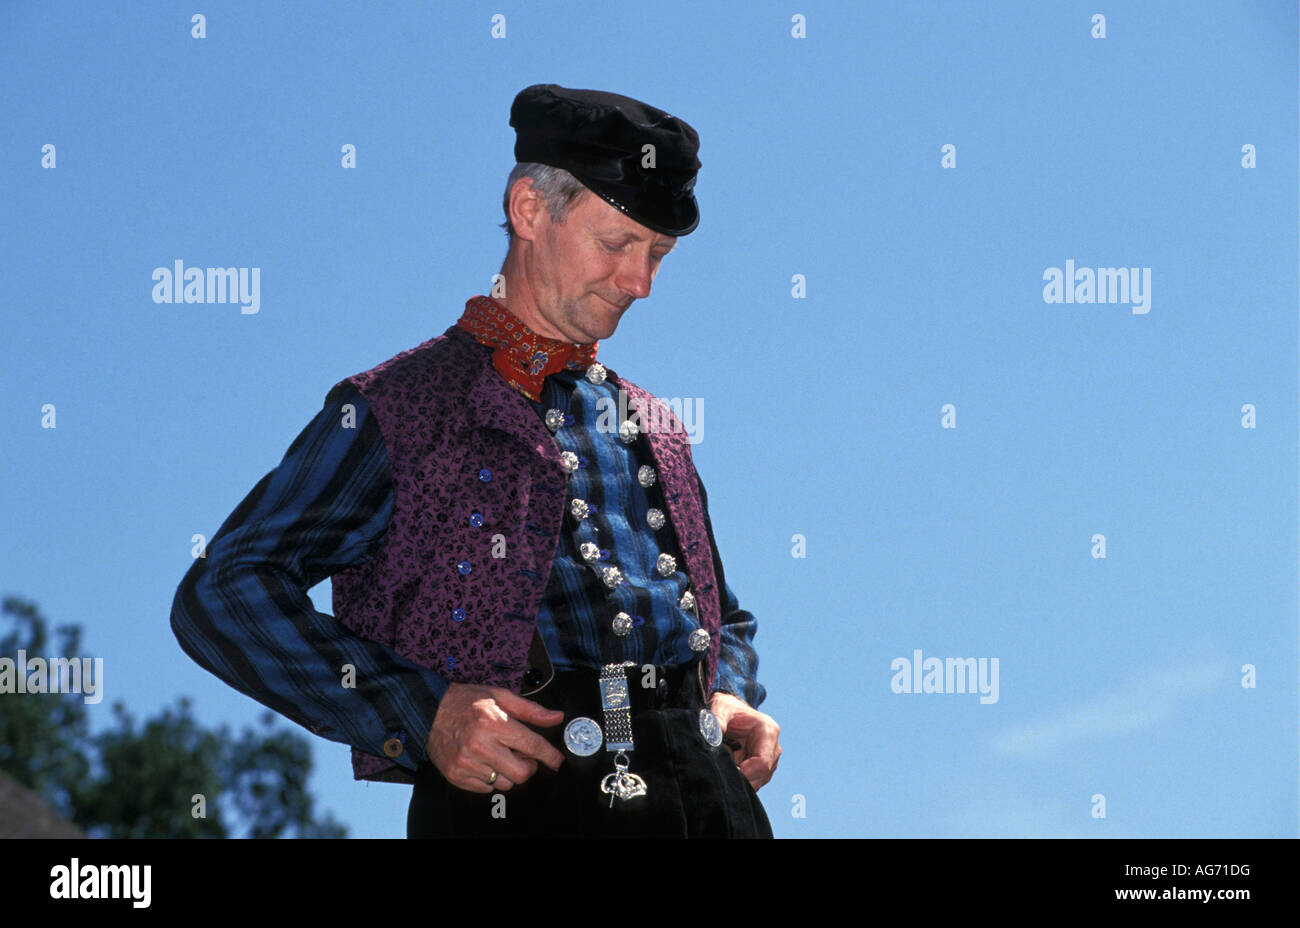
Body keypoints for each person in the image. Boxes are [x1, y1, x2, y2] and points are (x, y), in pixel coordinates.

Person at [170, 84, 781, 838]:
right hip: (521, 808)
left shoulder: (656, 423)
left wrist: (729, 691)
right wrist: (421, 712)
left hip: (712, 801)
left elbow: (727, 612)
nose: (641, 283)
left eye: (659, 254)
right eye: (618, 243)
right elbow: (223, 589)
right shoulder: (398, 406)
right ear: (529, 209)